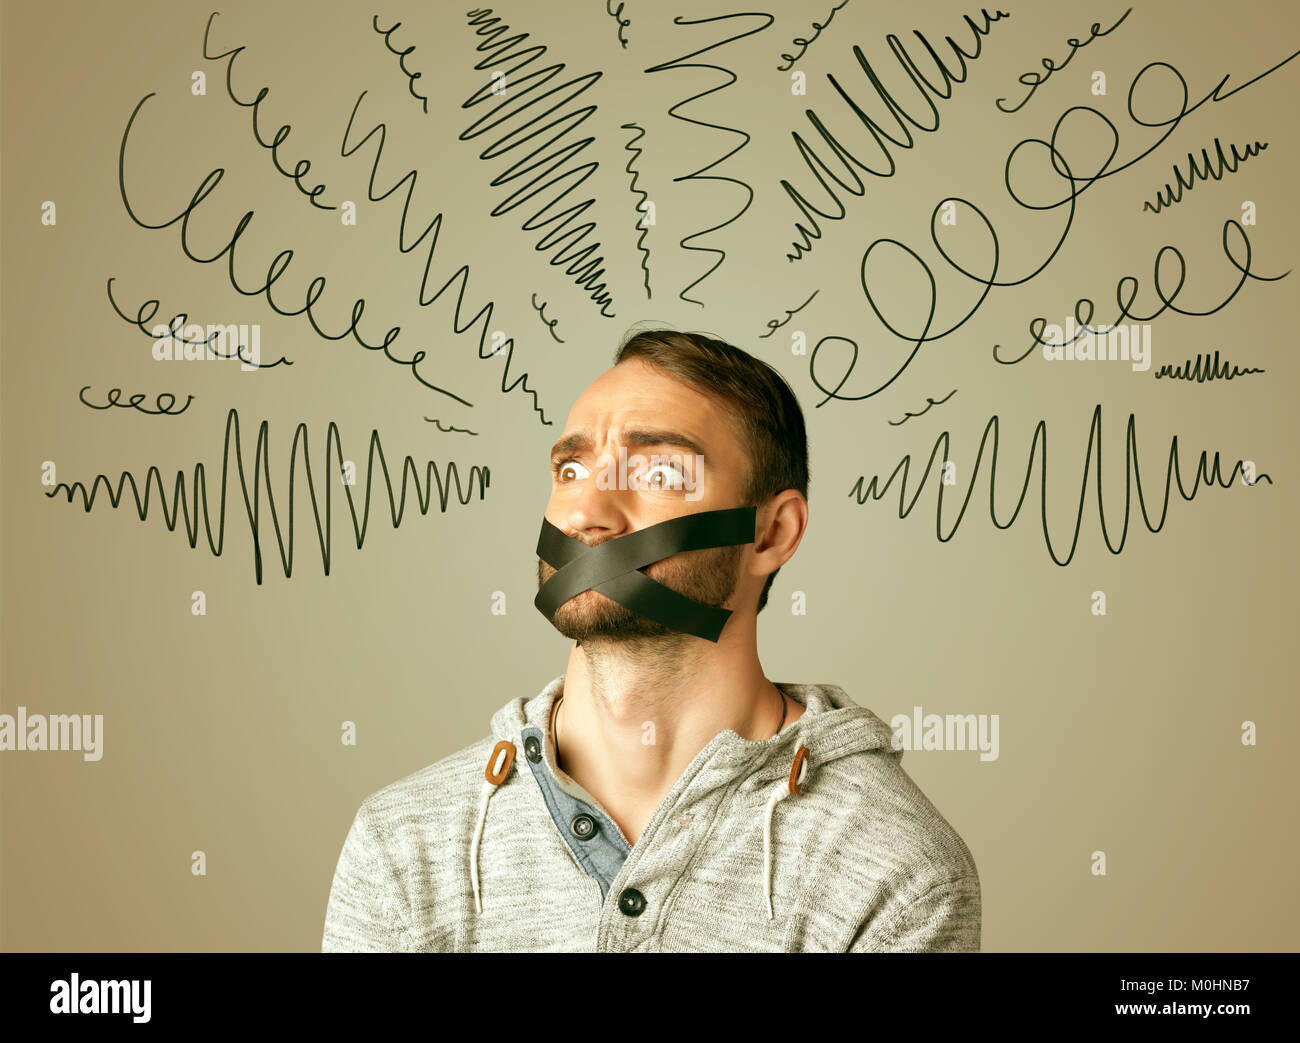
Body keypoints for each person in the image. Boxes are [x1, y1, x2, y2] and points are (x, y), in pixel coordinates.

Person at [322, 329, 980, 952]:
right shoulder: (406, 843)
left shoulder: (891, 868)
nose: (584, 513)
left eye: (660, 473)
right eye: (571, 470)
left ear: (773, 533)